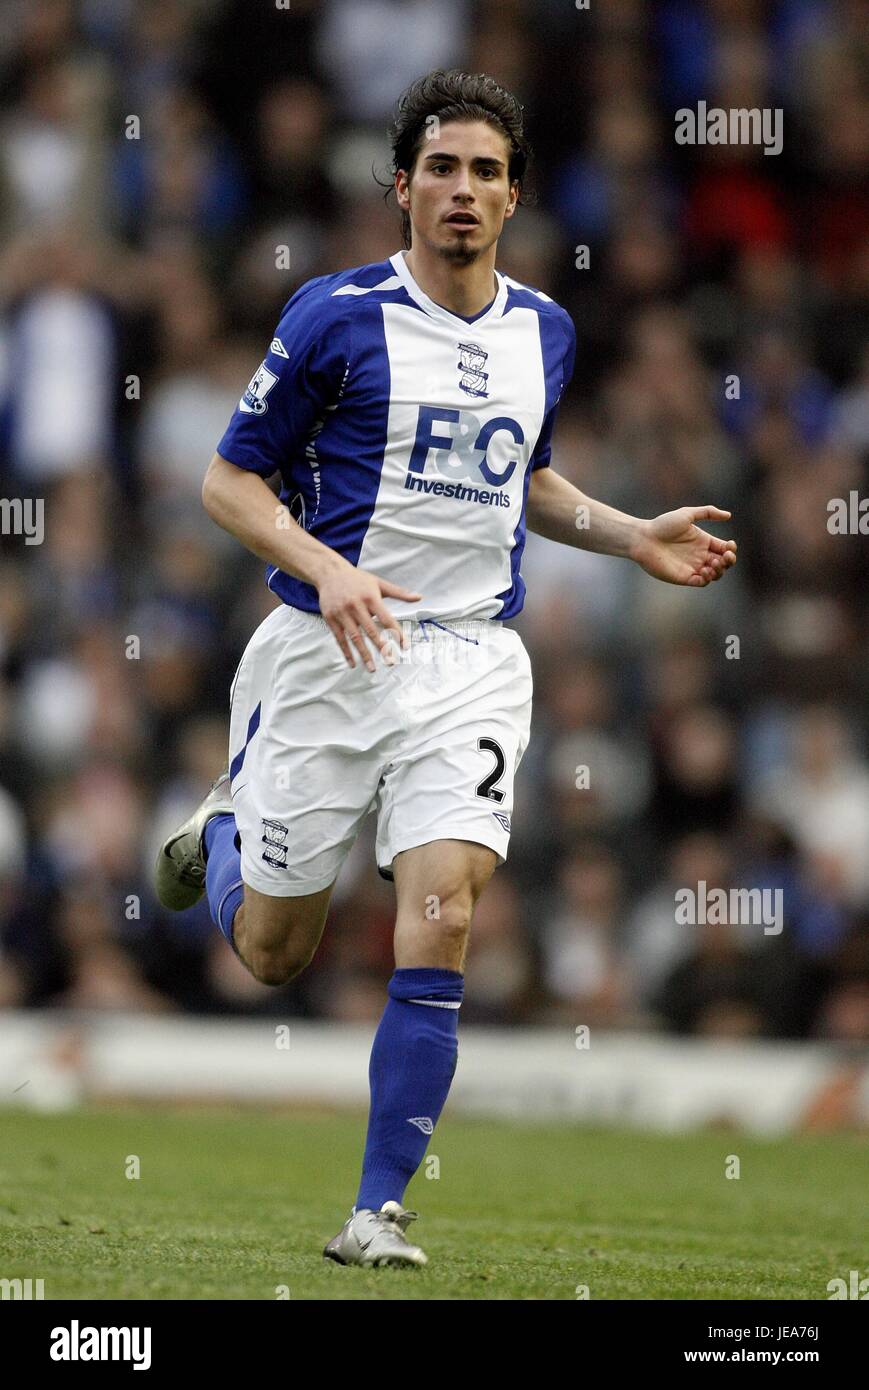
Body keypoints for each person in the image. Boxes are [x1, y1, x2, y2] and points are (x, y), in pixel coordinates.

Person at [154, 69, 737, 1268]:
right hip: (327, 647)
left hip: (469, 655)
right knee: (273, 954)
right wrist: (328, 570)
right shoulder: (332, 315)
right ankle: (220, 828)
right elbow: (227, 481)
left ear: (514, 194)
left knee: (445, 911)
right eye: (440, 168)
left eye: (483, 171)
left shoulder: (545, 331)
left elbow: (521, 476)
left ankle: (374, 1211)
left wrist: (628, 536)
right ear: (401, 189)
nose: (461, 191)